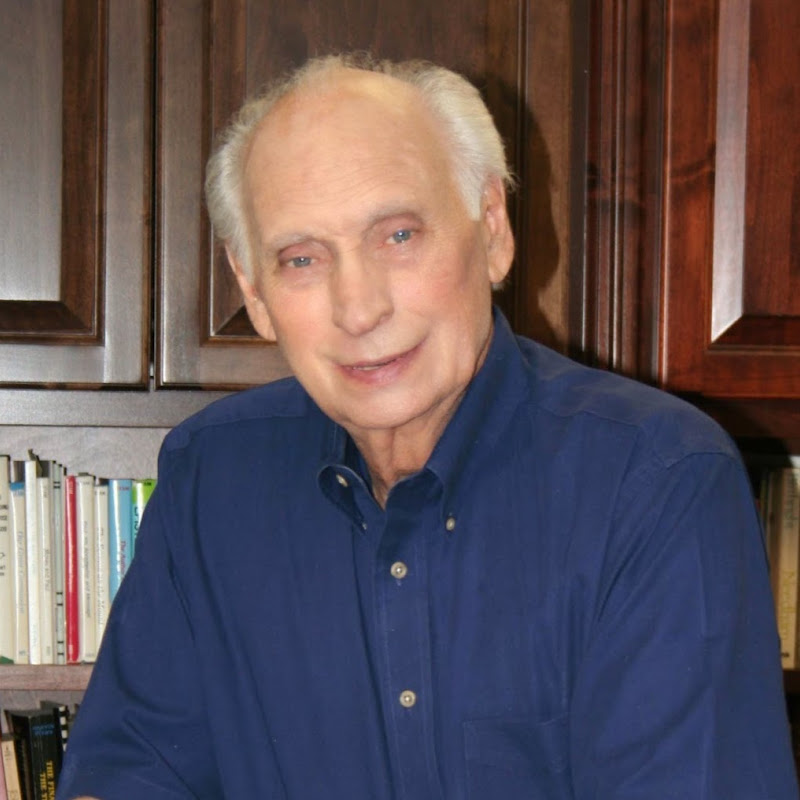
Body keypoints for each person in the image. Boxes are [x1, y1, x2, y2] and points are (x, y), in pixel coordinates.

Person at [57, 53, 798, 799]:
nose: (359, 308)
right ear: (252, 290)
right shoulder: (209, 478)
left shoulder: (657, 480)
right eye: (302, 258)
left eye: (399, 236)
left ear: (493, 228)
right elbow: (126, 775)